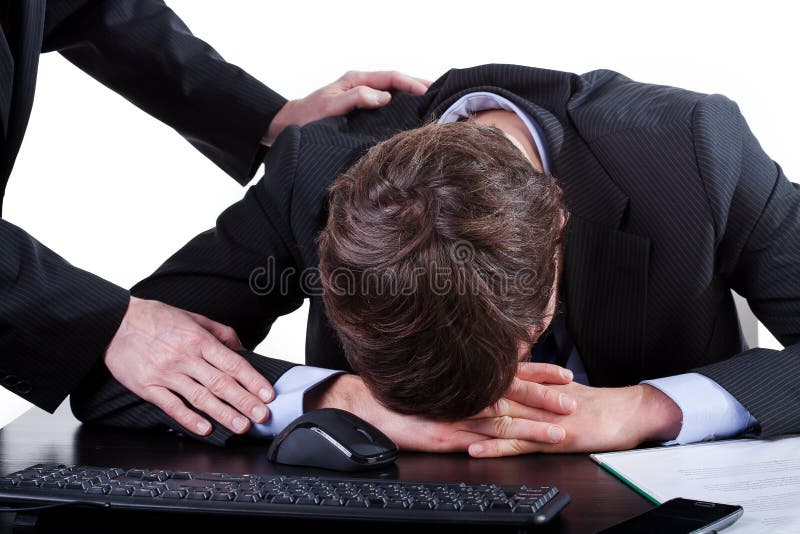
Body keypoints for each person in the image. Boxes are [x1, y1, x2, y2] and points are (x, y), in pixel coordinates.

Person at [71, 63, 800, 455]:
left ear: (558, 237)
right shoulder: (310, 170)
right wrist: (343, 399)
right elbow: (112, 365)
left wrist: (650, 408)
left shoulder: (694, 148)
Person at [0, 0, 429, 437]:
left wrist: (265, 117)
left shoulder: (325, 160)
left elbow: (83, 7)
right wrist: (336, 401)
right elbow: (123, 377)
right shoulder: (311, 176)